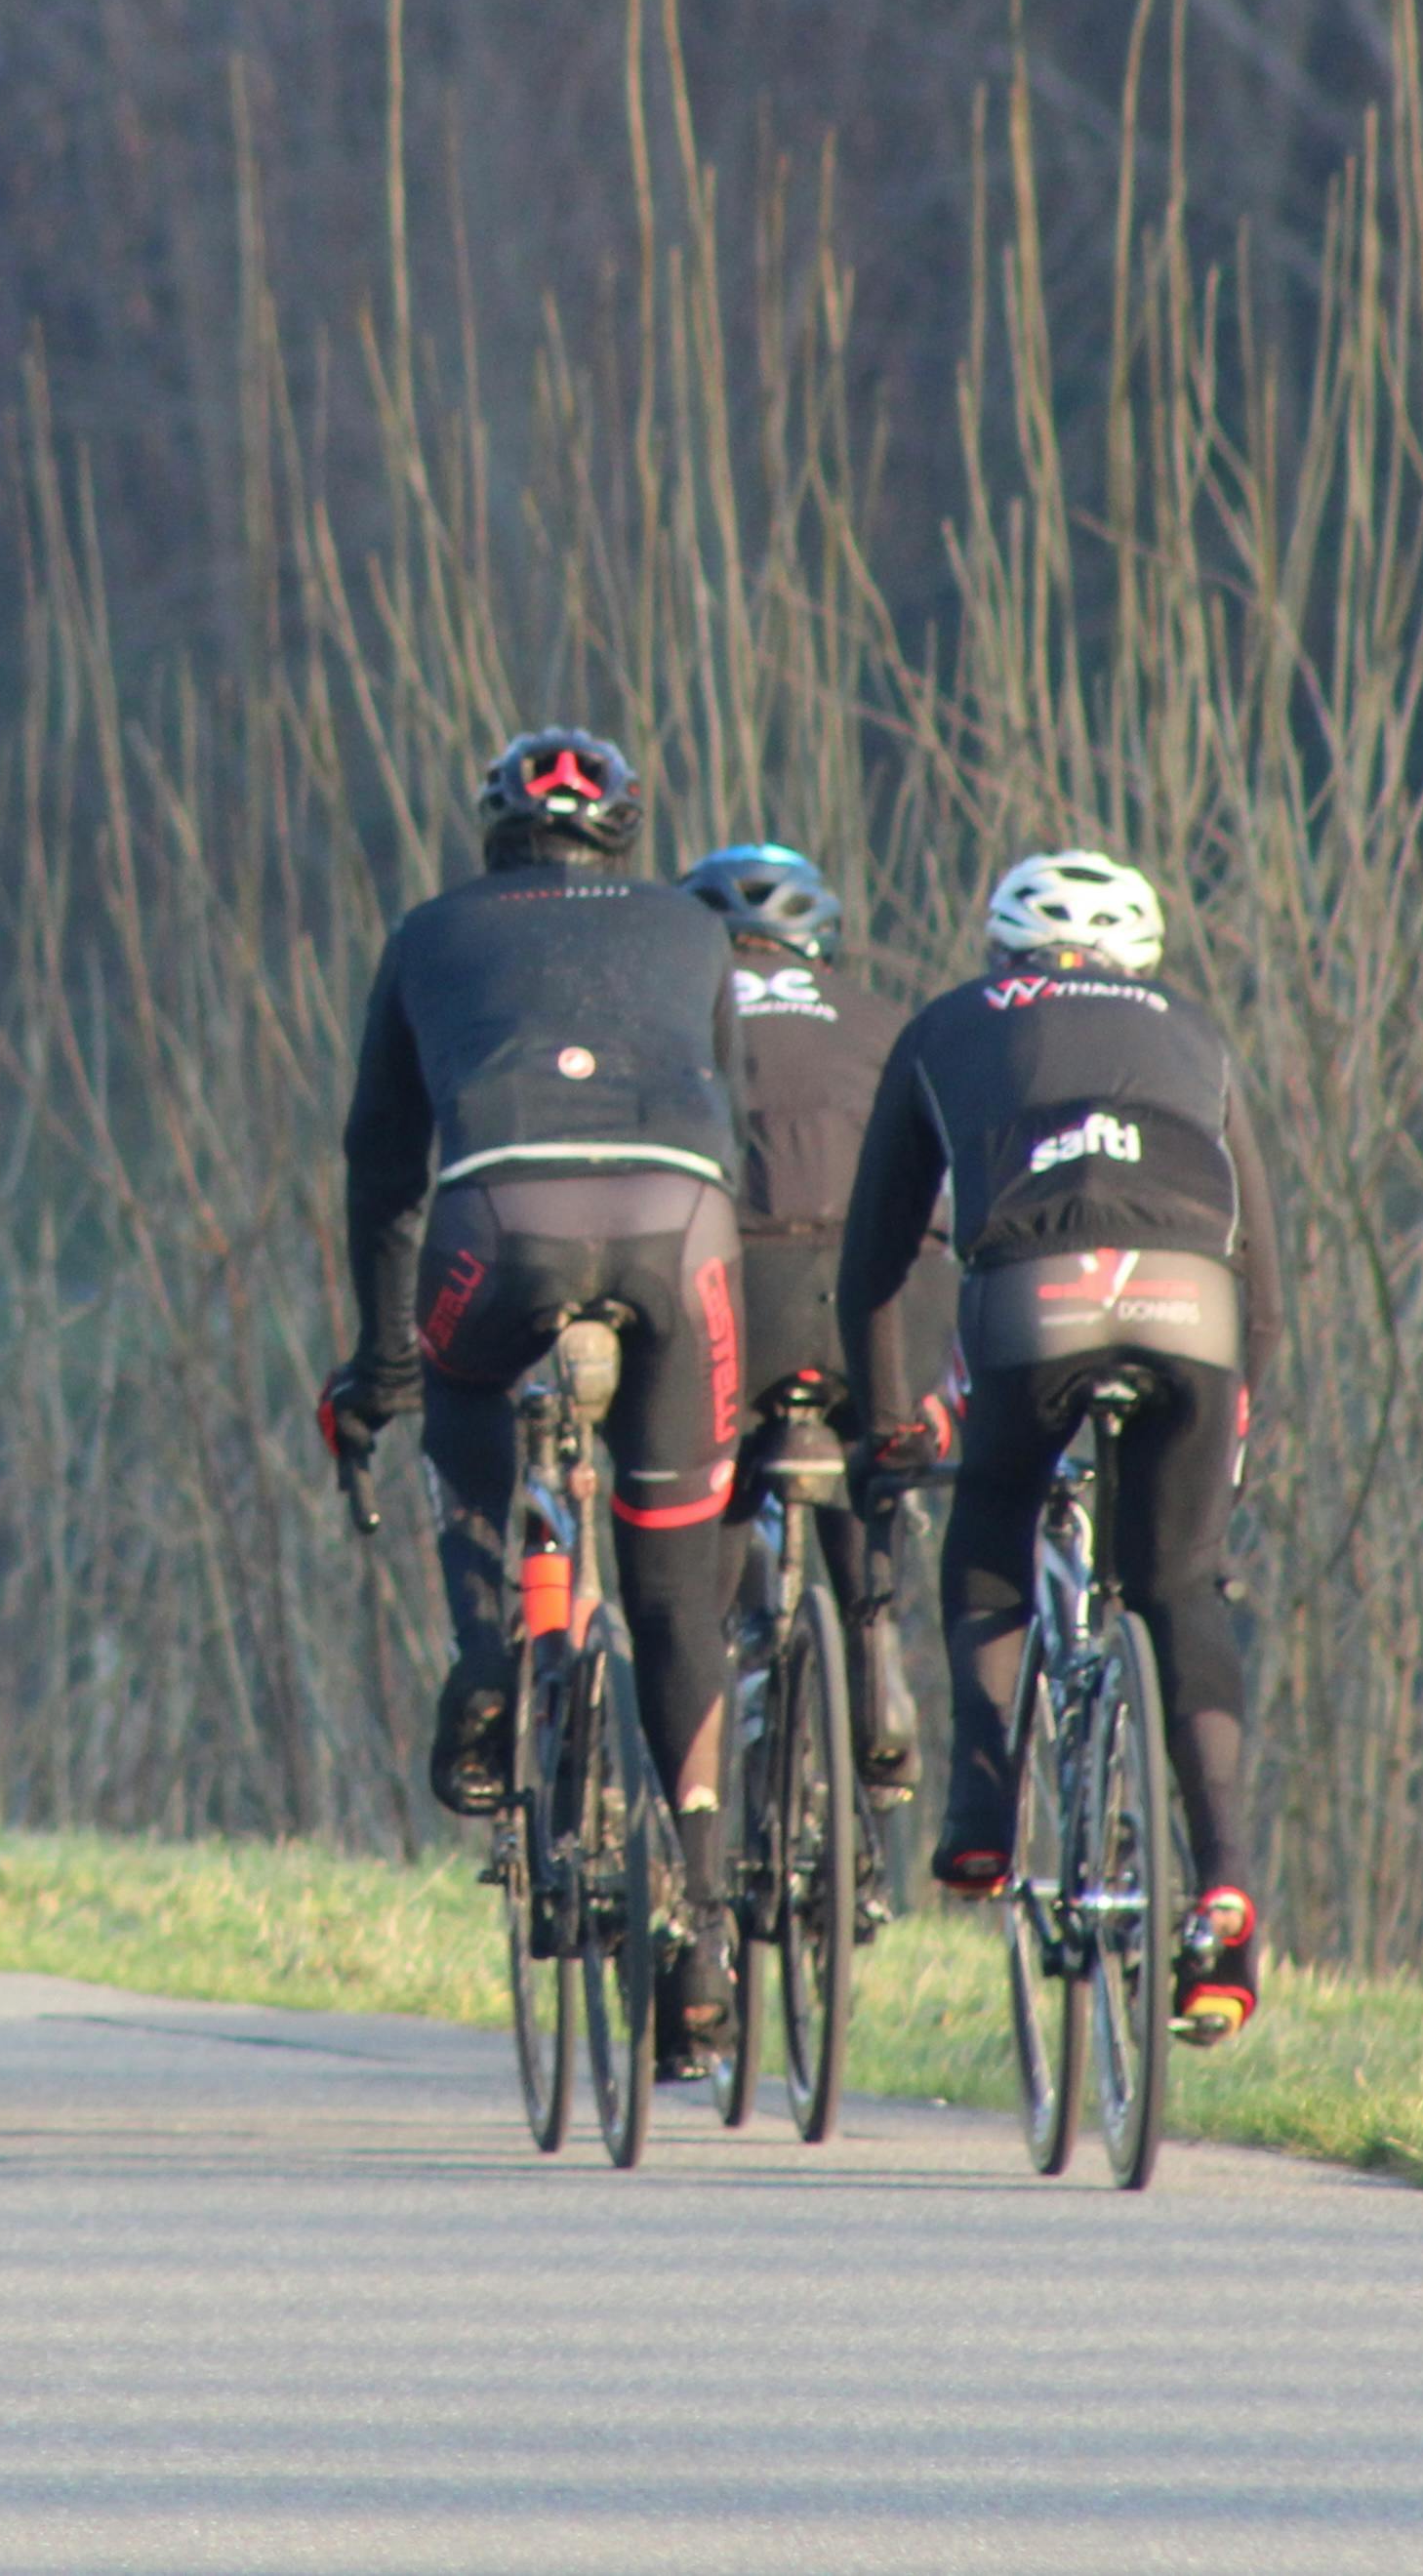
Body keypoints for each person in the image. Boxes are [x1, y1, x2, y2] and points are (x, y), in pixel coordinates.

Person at [323, 726, 758, 2076]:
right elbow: (732, 1117)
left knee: (464, 1408)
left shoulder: (426, 930)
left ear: (493, 835)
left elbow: (380, 1163)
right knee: (679, 1585)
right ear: (626, 833)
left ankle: (491, 1664)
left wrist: (385, 1365)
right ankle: (695, 1949)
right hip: (678, 1224)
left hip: (494, 1223)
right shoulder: (696, 927)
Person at [833, 848, 1282, 2044]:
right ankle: (1228, 1894)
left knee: (990, 1531)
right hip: (1197, 1307)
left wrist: (884, 1423)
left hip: (1035, 1297)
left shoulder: (947, 1025)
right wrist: (1240, 1419)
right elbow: (1267, 1271)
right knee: (1180, 1583)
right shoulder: (1195, 1030)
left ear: (1005, 955)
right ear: (1140, 961)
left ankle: (982, 1818)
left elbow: (876, 1254)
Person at [677, 841, 925, 1803]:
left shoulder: (682, 1017)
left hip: (744, 1278)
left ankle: (706, 1682)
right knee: (875, 1455)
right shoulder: (885, 1021)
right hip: (893, 1285)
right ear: (820, 941)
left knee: (699, 1476)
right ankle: (878, 1666)